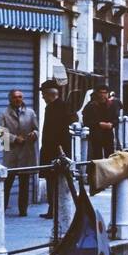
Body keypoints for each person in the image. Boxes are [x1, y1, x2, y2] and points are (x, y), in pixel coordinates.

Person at [38, 80, 78, 218]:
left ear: (50, 94)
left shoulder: (56, 107)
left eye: (43, 94)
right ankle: (54, 209)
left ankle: (54, 209)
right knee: (55, 179)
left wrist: (60, 148)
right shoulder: (61, 106)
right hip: (55, 148)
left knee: (53, 179)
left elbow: (57, 130)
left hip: (55, 149)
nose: (42, 97)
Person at [0, 89, 38, 215]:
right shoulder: (4, 114)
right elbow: (0, 133)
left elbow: (36, 129)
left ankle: (23, 210)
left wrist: (34, 134)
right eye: (15, 97)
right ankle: (1, 210)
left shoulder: (30, 113)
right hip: (11, 153)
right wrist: (14, 139)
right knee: (7, 183)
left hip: (26, 152)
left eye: (20, 97)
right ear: (10, 99)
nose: (18, 99)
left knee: (24, 184)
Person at [83, 86, 121, 160]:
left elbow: (116, 119)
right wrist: (98, 124)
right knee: (96, 157)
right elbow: (86, 121)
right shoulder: (90, 106)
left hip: (108, 134)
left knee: (110, 155)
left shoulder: (112, 105)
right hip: (95, 134)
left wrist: (112, 124)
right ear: (97, 94)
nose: (103, 95)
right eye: (101, 93)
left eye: (105, 93)